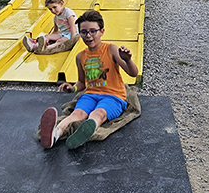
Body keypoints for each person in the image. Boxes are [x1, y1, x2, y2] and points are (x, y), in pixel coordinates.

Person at [39, 9, 139, 150]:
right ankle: (54, 135)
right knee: (76, 114)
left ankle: (88, 129)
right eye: (84, 32)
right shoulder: (80, 56)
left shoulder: (111, 49)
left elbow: (133, 73)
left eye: (93, 31)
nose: (88, 35)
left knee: (98, 113)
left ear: (102, 31)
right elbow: (81, 82)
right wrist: (72, 88)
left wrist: (127, 60)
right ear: (80, 33)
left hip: (113, 96)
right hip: (90, 95)